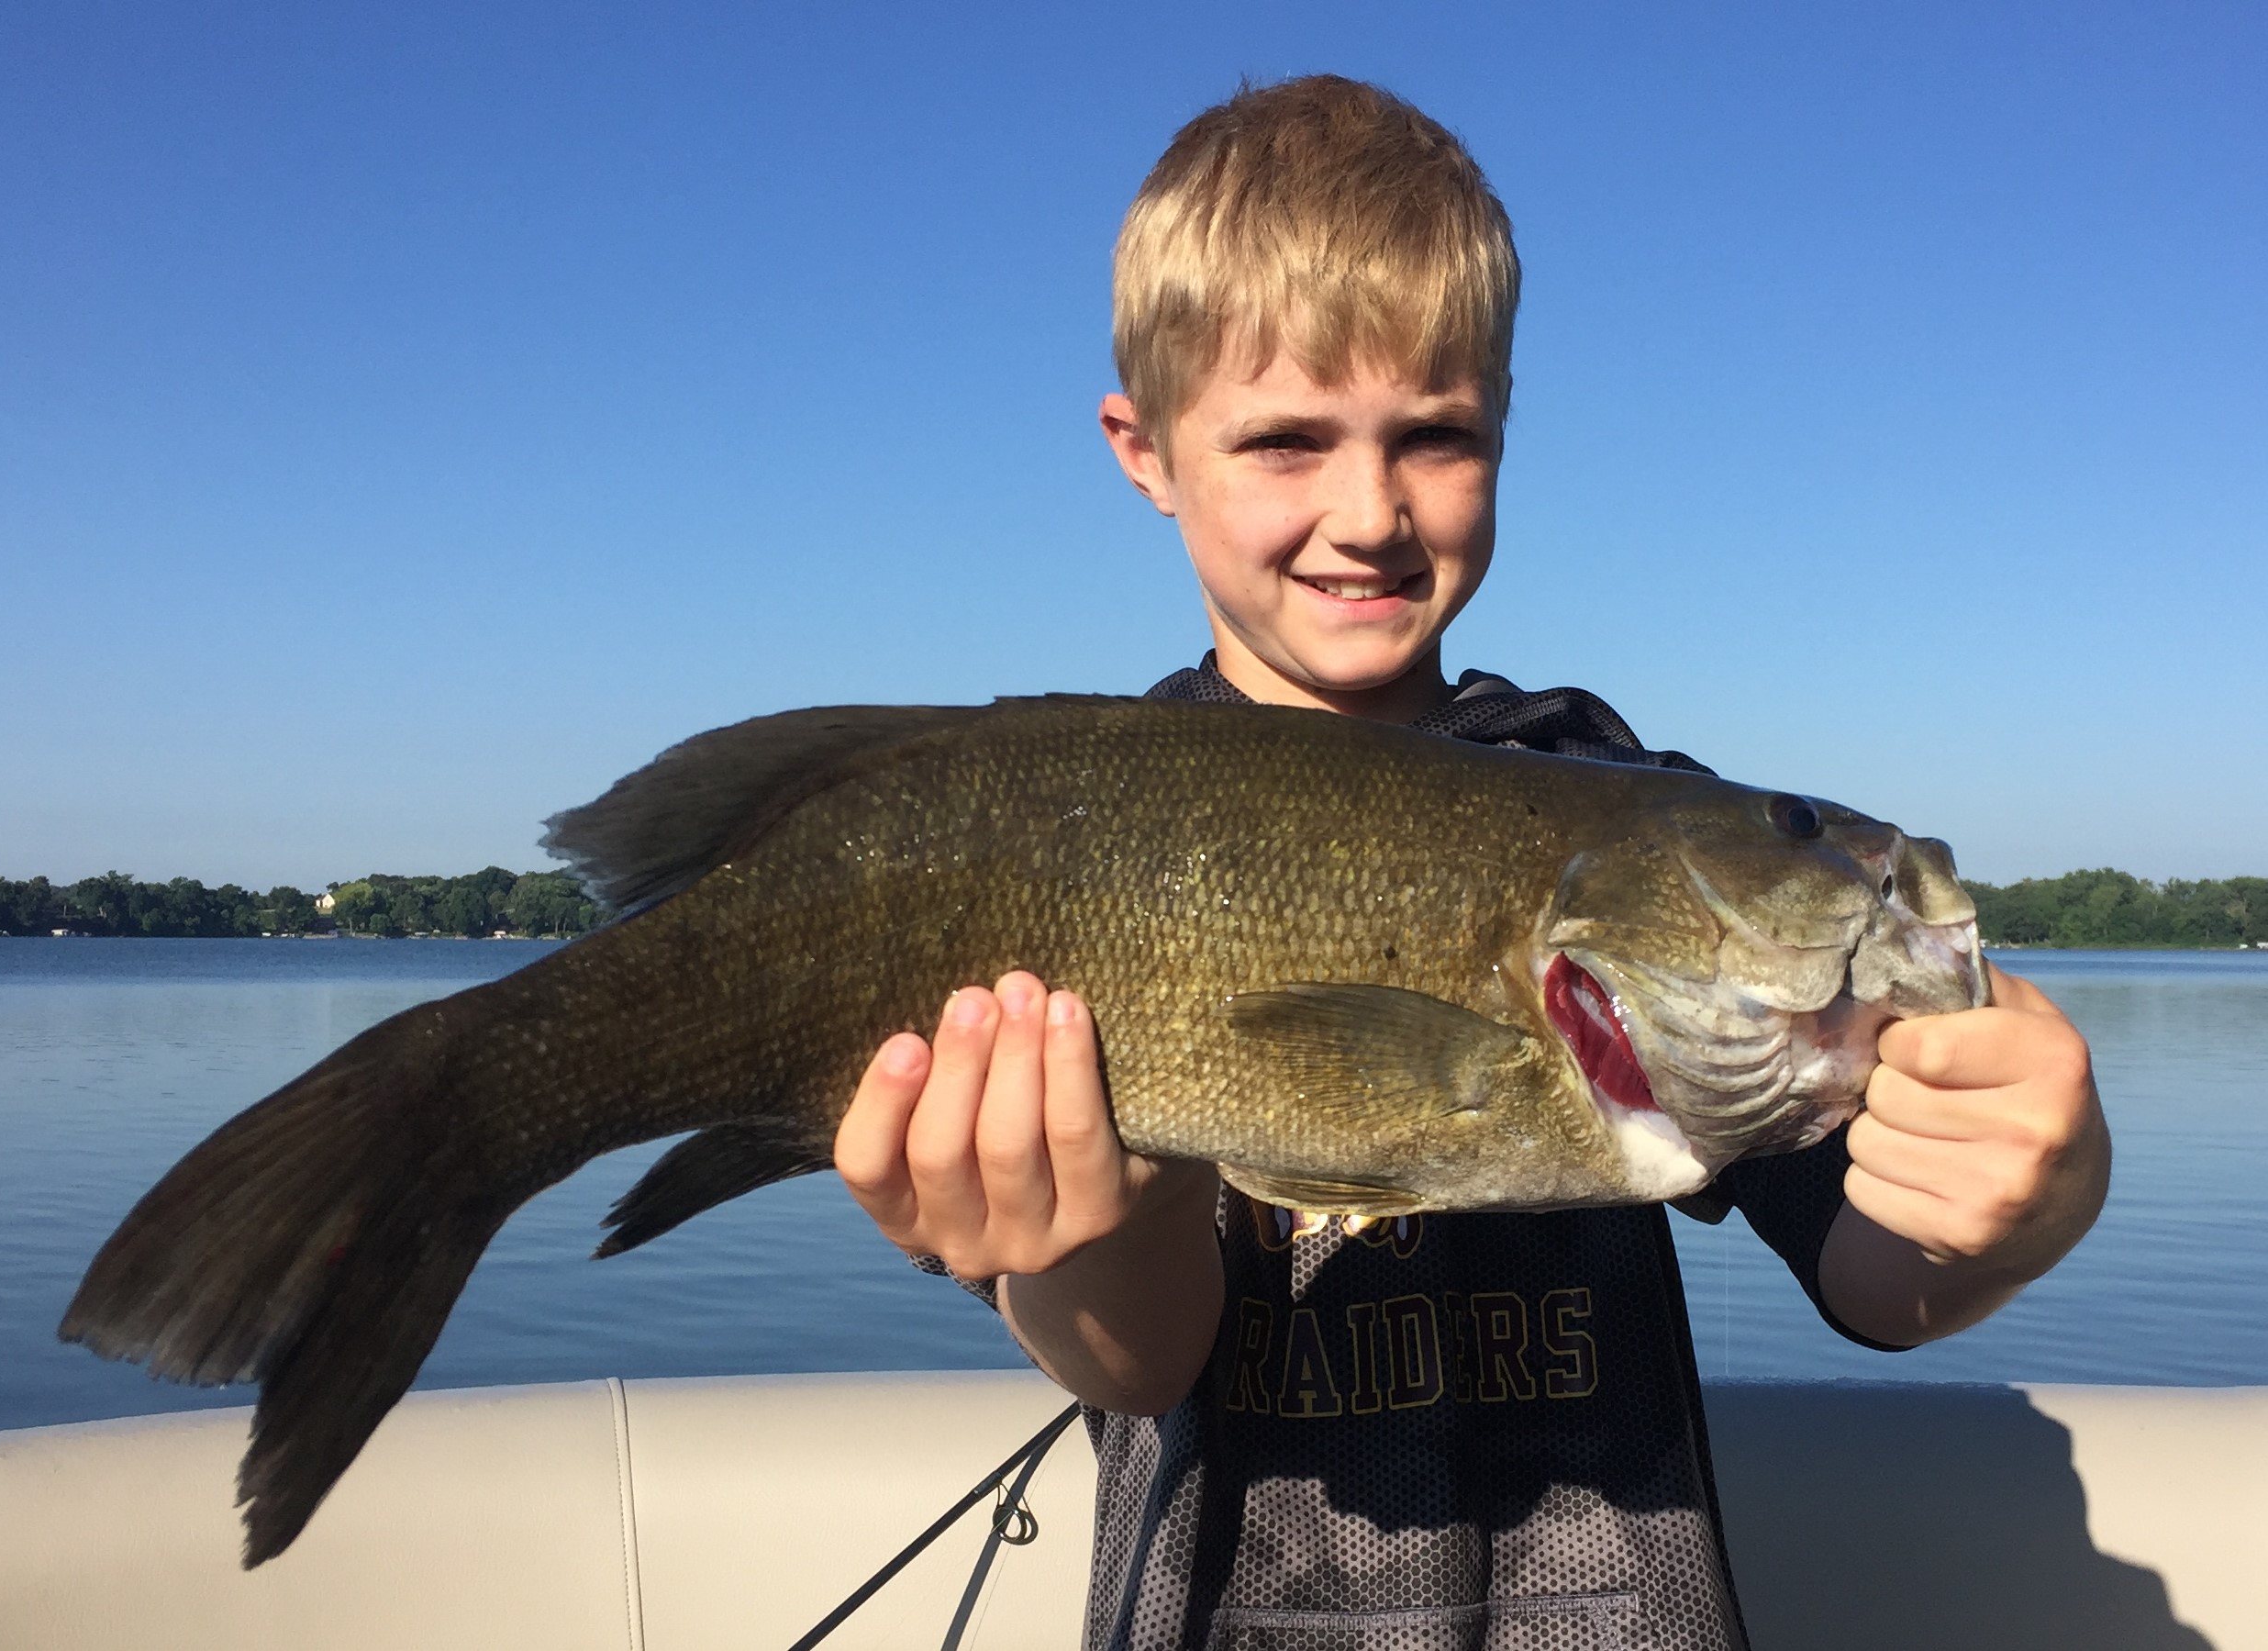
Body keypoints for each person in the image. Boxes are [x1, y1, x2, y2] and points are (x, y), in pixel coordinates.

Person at [830, 75, 2110, 1651]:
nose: (1366, 514)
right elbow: (1138, 1358)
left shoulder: (1617, 804)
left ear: (1504, 423)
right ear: (1143, 449)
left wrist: (2024, 1198)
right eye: (1284, 440)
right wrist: (1073, 1237)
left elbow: (1876, 1279)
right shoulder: (1085, 830)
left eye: (1436, 438)